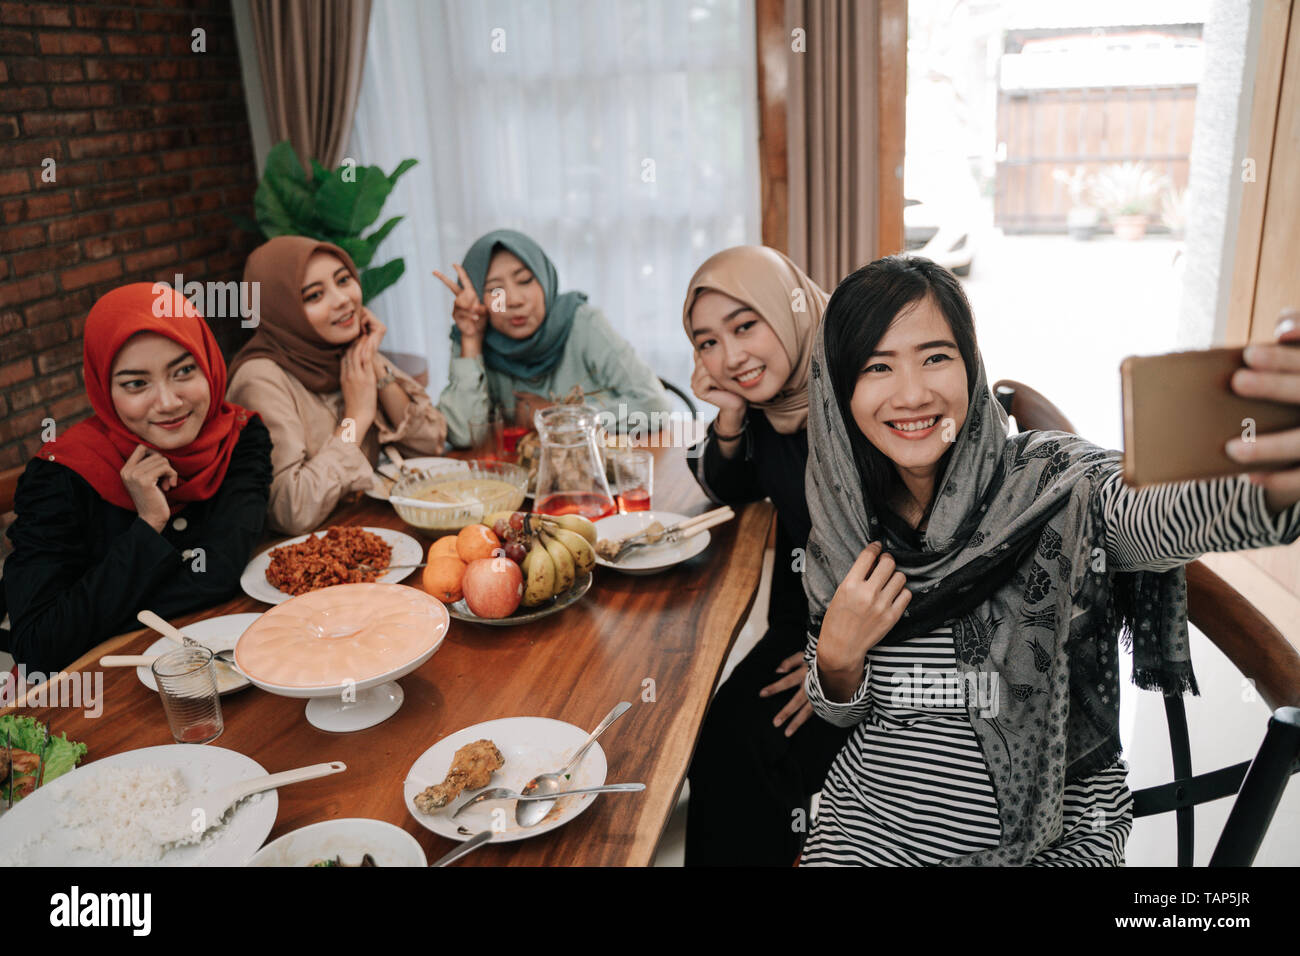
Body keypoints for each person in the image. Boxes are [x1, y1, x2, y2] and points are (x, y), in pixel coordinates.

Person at [799, 256, 1300, 865]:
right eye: (877, 367)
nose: (912, 394)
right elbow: (836, 711)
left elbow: (1149, 511)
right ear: (839, 390)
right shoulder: (844, 514)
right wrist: (836, 656)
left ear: (970, 364)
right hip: (870, 834)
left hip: (1050, 842)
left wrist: (1262, 485)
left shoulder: (1051, 485)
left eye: (936, 357)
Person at [680, 245, 852, 866]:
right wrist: (728, 415)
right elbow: (734, 488)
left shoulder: (857, 391)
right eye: (707, 343)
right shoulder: (774, 404)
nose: (731, 357)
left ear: (790, 309)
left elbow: (917, 551)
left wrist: (835, 665)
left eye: (745, 325)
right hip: (809, 618)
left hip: (884, 643)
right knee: (716, 734)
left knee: (742, 746)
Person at [3, 284, 272, 673]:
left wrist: (106, 615)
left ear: (209, 363)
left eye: (183, 370)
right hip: (97, 692)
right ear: (103, 388)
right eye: (136, 383)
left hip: (226, 662)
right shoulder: (60, 475)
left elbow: (218, 574)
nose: (168, 402)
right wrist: (148, 526)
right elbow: (39, 646)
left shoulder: (239, 435)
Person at [227, 236, 447, 535]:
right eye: (315, 296)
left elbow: (431, 444)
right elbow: (290, 511)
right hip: (301, 561)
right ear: (282, 309)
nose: (342, 299)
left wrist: (375, 364)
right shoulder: (260, 379)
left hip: (364, 530)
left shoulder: (345, 349)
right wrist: (355, 418)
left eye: (344, 280)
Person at [435, 229, 671, 444]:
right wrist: (471, 339)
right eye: (495, 290)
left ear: (544, 278)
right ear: (478, 297)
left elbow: (656, 406)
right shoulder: (473, 336)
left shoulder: (583, 323)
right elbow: (463, 435)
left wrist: (557, 414)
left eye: (525, 280)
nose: (515, 299)